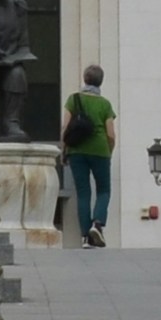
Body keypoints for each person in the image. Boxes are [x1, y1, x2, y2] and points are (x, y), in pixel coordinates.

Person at [59, 65, 115, 246]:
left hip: (77, 151)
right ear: (101, 81)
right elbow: (111, 135)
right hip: (100, 151)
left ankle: (85, 237)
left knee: (83, 193)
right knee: (104, 190)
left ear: (85, 79)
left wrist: (64, 150)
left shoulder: (72, 100)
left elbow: (65, 128)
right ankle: (97, 225)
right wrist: (109, 151)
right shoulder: (105, 104)